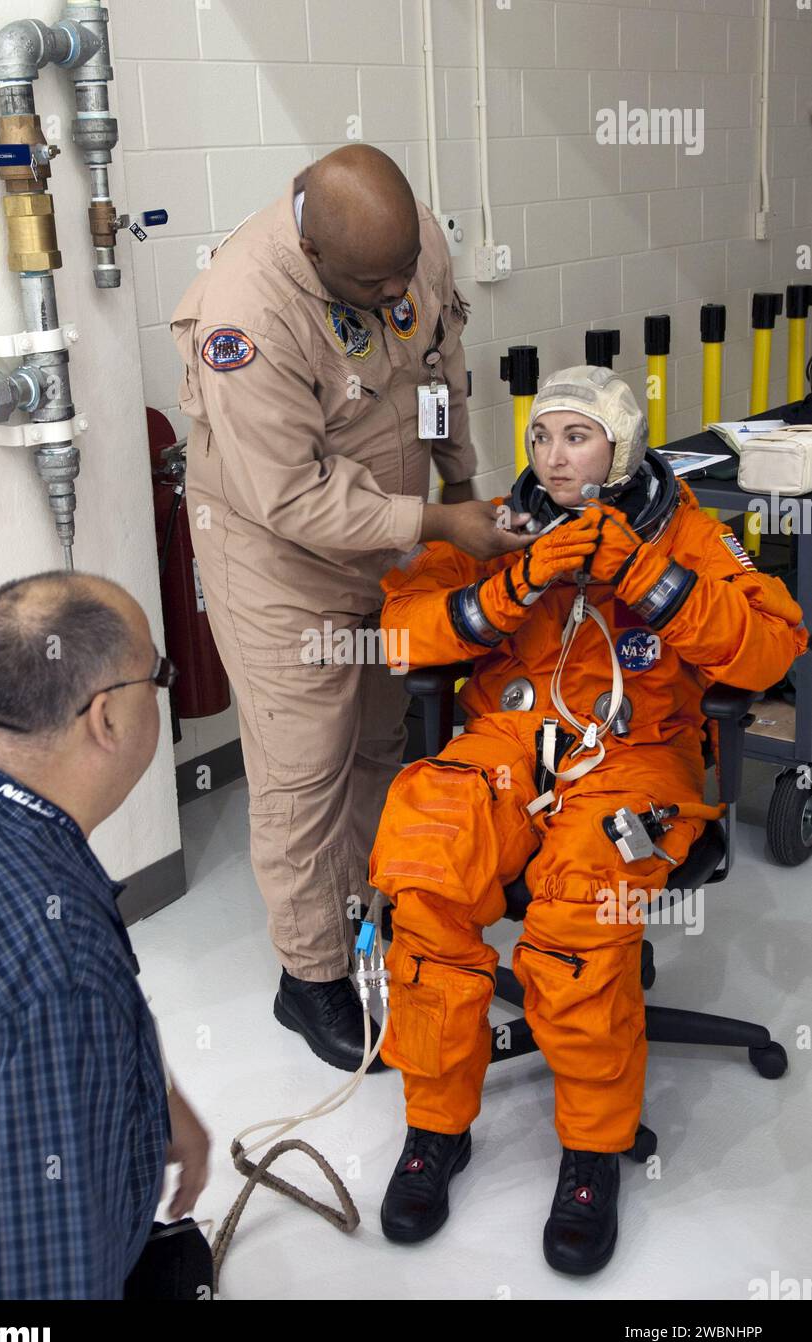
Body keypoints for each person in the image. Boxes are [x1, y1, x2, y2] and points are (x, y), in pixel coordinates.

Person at [369, 365, 808, 1272]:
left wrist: (644, 578)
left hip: (636, 755)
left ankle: (591, 1153)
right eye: (540, 437)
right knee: (422, 879)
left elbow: (770, 650)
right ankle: (433, 1129)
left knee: (577, 911)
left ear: (622, 445)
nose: (553, 456)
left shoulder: (686, 530)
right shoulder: (498, 525)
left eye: (577, 437)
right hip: (509, 740)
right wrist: (514, 583)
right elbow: (400, 632)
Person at [171, 143, 531, 1074]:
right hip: (281, 559)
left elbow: (438, 372)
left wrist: (463, 487)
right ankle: (313, 977)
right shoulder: (245, 312)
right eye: (372, 281)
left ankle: (378, 915)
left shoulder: (405, 252)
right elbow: (288, 495)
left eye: (404, 270)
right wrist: (434, 517)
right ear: (317, 250)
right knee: (303, 768)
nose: (394, 289)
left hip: (396, 538)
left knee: (382, 735)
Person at [0, 573, 211, 1299]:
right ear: (106, 718)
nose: (166, 688)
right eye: (159, 677)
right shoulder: (53, 970)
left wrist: (155, 1098)